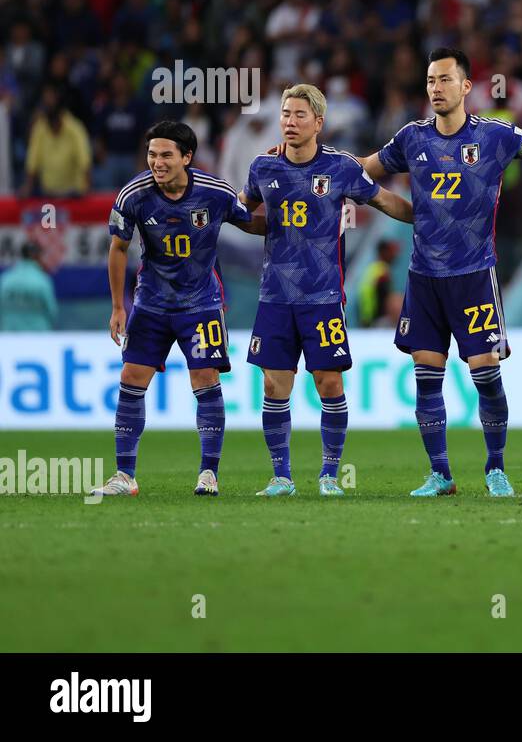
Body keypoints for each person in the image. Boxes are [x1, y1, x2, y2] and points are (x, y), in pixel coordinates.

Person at [360, 47, 522, 498]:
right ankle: (440, 474)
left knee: (485, 372)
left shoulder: (494, 136)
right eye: (430, 80)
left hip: (474, 274)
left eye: (444, 80)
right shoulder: (411, 139)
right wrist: (315, 159)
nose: (435, 88)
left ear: (465, 87)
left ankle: (495, 468)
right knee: (426, 374)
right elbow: (365, 170)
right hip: (423, 277)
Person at [240, 83, 413, 497]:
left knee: (329, 384)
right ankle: (281, 476)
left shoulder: (340, 168)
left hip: (322, 298)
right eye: (285, 114)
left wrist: (429, 219)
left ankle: (329, 476)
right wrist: (259, 224)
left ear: (319, 122)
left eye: (299, 115)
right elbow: (241, 213)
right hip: (275, 296)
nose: (290, 122)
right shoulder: (264, 168)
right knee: (273, 386)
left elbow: (386, 201)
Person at [93, 121, 265, 497]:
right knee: (131, 379)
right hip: (151, 304)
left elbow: (249, 221)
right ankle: (125, 475)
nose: (157, 162)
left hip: (201, 304)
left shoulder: (214, 192)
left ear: (187, 157)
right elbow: (118, 248)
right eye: (152, 154)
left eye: (166, 154)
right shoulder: (133, 195)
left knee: (205, 381)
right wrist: (117, 307)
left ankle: (208, 473)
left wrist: (292, 218)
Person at [0, 242, 57, 330]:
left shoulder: (5, 279)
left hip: (10, 336)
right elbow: (51, 311)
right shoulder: (42, 280)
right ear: (37, 257)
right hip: (37, 335)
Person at [357, 238, 401, 327]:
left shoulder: (372, 268)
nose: (395, 255)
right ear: (384, 252)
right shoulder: (382, 273)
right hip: (377, 320)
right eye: (391, 251)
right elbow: (387, 299)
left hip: (366, 318)